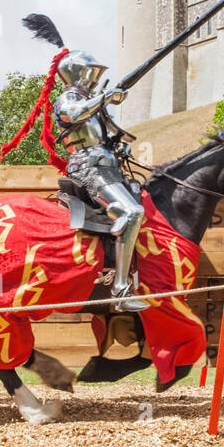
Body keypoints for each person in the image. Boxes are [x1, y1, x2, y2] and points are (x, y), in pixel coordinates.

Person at [52, 51, 149, 312]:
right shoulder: (68, 98)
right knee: (131, 213)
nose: (95, 80)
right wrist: (104, 97)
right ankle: (120, 289)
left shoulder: (94, 105)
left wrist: (120, 147)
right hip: (89, 168)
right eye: (91, 74)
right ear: (78, 73)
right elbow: (71, 116)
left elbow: (111, 136)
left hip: (108, 167)